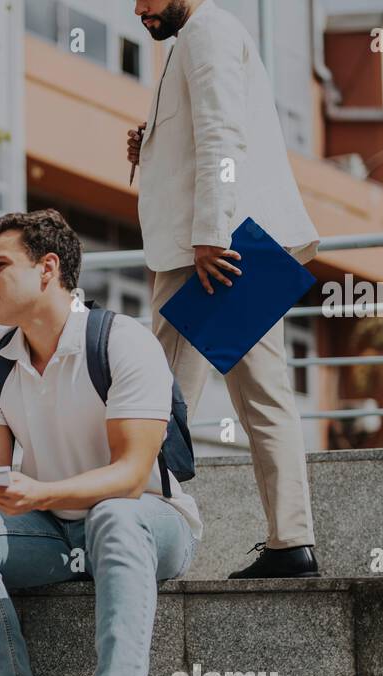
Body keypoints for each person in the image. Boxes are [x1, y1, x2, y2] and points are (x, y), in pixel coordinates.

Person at [0, 210, 201, 676]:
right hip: (54, 529)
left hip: (151, 521)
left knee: (114, 517)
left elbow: (131, 475)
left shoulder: (123, 342)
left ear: (48, 269)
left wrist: (41, 491)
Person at [128, 0, 321, 578]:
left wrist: (211, 235)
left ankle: (137, 535)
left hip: (210, 253)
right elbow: (205, 133)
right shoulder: (198, 34)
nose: (139, 9)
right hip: (231, 248)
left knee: (152, 397)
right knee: (261, 398)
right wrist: (153, 144)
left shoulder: (207, 30)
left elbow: (222, 139)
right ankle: (292, 543)